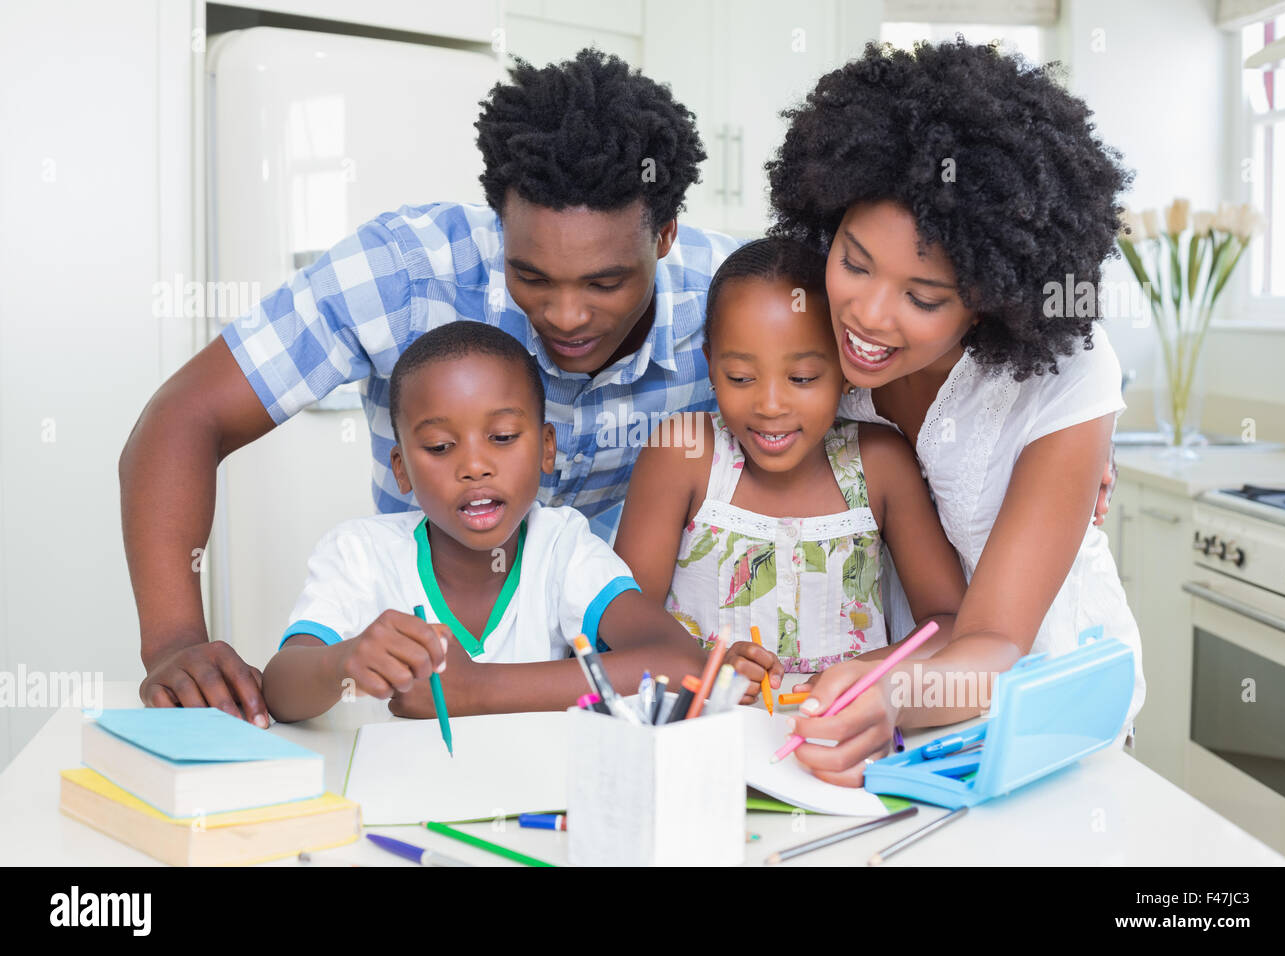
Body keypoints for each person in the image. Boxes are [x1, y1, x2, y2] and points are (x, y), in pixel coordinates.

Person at [119, 49, 737, 725]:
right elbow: (184, 415)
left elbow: (862, 422)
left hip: (618, 704)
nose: (566, 315)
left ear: (667, 235)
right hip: (416, 714)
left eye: (605, 283)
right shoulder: (405, 272)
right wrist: (176, 641)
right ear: (501, 222)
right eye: (531, 276)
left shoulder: (734, 306)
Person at [765, 40, 1146, 786]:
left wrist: (894, 697)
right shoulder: (805, 329)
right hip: (893, 704)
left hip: (1044, 704)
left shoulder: (1063, 372)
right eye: (855, 261)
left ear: (994, 296)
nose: (868, 318)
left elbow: (1000, 638)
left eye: (925, 298)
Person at [262, 322, 706, 722]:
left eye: (503, 438)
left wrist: (479, 688)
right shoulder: (359, 554)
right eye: (439, 447)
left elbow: (681, 663)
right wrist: (339, 663)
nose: (475, 466)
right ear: (400, 469)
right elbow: (281, 690)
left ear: (547, 449)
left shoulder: (561, 547)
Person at [615, 237, 966, 703]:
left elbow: (949, 621)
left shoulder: (879, 464)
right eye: (740, 377)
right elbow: (620, 620)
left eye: (802, 379)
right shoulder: (683, 455)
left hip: (842, 737)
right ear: (710, 365)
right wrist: (702, 665)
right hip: (707, 736)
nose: (770, 405)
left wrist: (868, 672)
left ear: (846, 369)